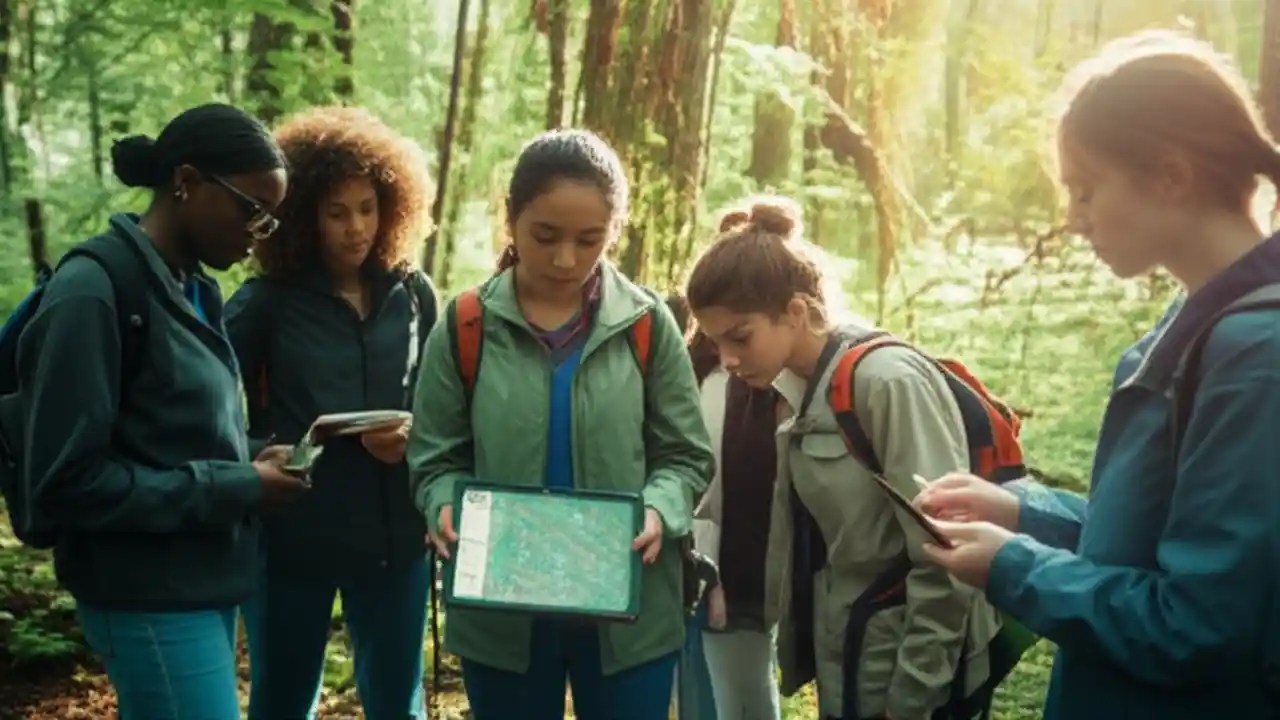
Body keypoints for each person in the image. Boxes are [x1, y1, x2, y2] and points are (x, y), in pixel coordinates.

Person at [914, 31, 1280, 719]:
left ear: (1172, 176)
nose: (1074, 221)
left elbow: (1197, 628)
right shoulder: (1194, 323)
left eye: (1085, 191)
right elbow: (1156, 542)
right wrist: (1023, 514)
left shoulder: (1255, 358)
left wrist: (1010, 566)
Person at [9, 104, 305, 719]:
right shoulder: (92, 294)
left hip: (201, 584)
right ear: (187, 182)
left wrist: (252, 461)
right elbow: (66, 484)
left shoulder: (193, 289)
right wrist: (237, 487)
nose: (258, 233)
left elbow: (165, 436)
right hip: (144, 594)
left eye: (270, 219)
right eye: (251, 209)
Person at [408, 128, 714, 720]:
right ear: (511, 219)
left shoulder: (648, 326)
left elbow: (686, 456)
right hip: (503, 610)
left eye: (589, 239)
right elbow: (436, 456)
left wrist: (658, 509)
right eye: (545, 236)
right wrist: (443, 500)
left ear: (614, 232)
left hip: (628, 607)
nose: (565, 258)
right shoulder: (468, 324)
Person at [685, 197, 1002, 720]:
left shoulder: (886, 382)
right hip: (853, 658)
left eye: (740, 337)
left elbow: (947, 555)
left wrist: (914, 696)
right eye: (717, 342)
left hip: (910, 671)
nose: (728, 360)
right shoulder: (799, 389)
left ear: (794, 310)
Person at [225, 105, 437, 720]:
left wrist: (415, 436)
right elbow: (202, 410)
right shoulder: (266, 301)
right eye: (336, 212)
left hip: (395, 534)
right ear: (302, 214)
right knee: (283, 700)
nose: (356, 228)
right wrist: (260, 452)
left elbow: (440, 402)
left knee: (397, 703)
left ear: (392, 206)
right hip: (294, 533)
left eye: (368, 208)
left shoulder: (413, 292)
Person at [690, 326, 784, 720]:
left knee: (747, 689)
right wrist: (711, 579)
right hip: (725, 570)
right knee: (733, 693)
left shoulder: (787, 382)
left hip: (767, 568)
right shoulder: (710, 383)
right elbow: (704, 496)